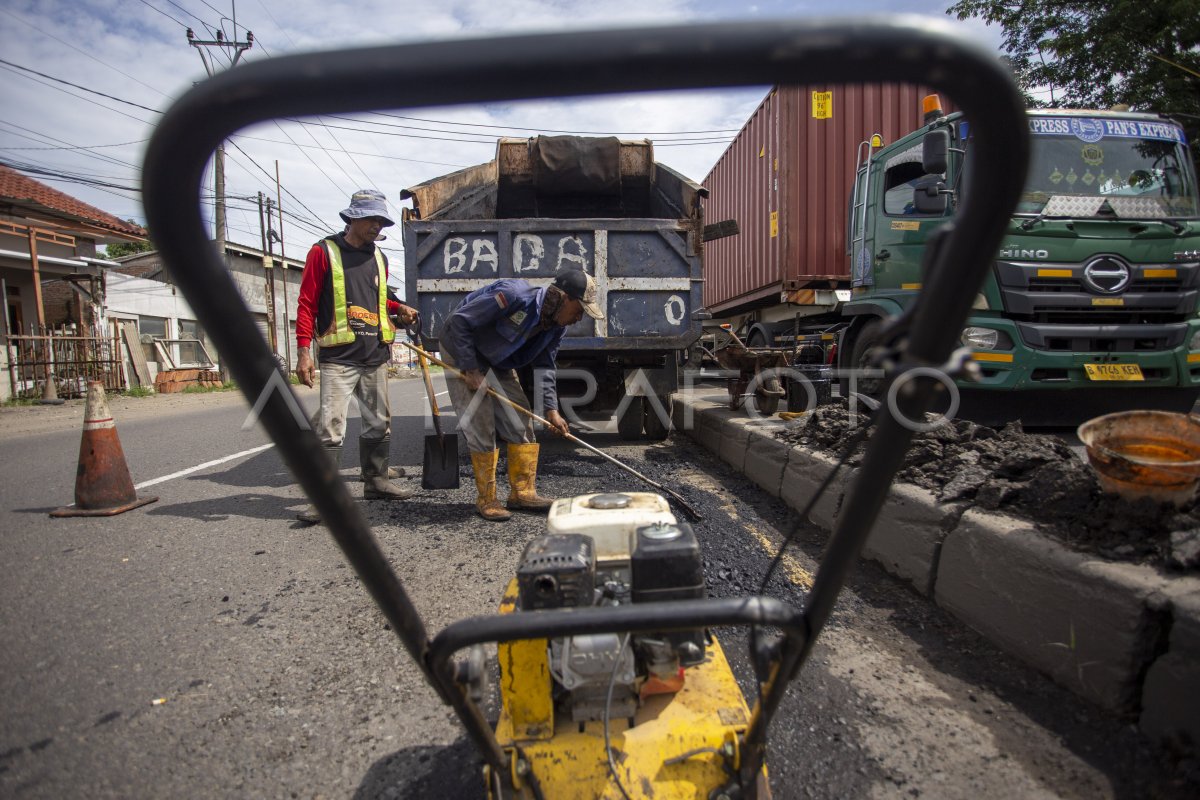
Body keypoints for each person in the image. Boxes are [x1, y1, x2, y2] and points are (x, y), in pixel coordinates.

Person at [439, 268, 604, 521]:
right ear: (563, 298)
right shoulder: (514, 295)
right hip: (463, 352)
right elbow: (459, 322)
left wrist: (551, 410)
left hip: (499, 360)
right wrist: (471, 369)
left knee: (520, 419)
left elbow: (545, 367)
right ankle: (487, 499)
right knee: (481, 423)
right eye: (579, 309)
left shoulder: (556, 327)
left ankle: (522, 492)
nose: (579, 318)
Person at [294, 189, 418, 524]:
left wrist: (399, 308)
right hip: (339, 357)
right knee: (330, 428)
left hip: (374, 354)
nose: (377, 225)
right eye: (372, 219)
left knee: (379, 422)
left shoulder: (379, 257)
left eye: (381, 220)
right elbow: (306, 303)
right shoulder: (324, 253)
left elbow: (378, 301)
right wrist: (303, 351)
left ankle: (376, 481)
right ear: (353, 217)